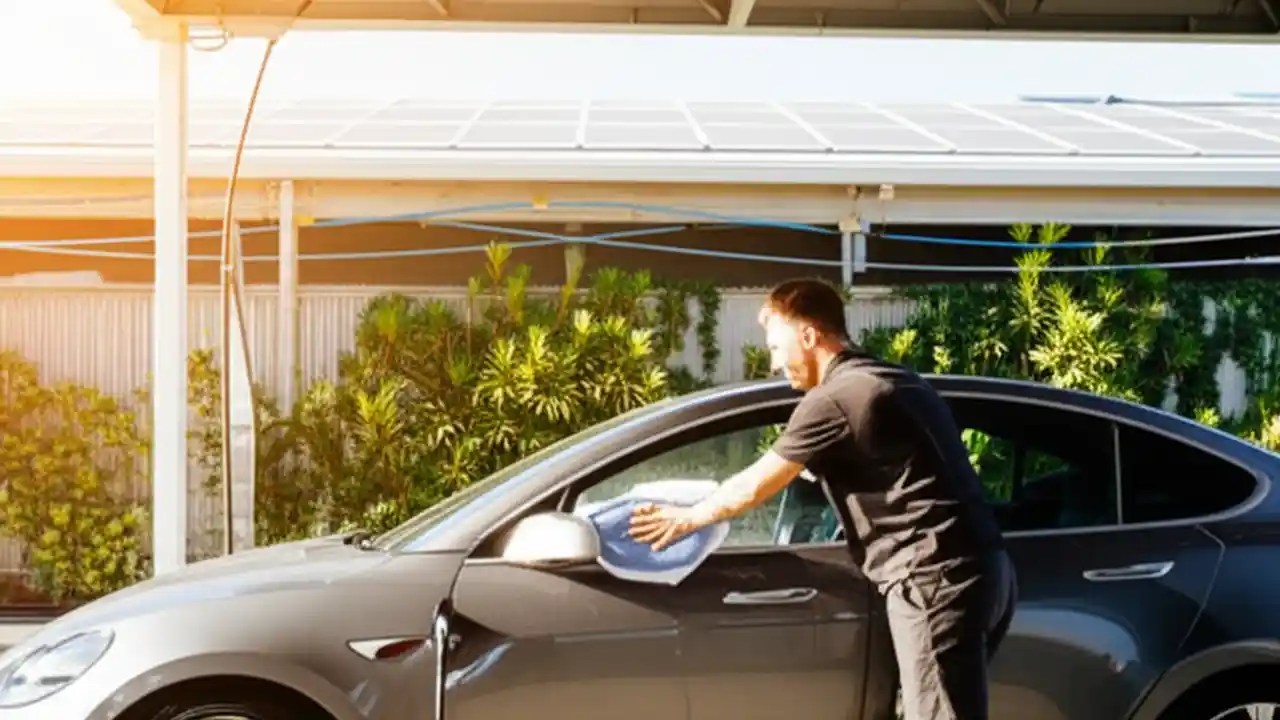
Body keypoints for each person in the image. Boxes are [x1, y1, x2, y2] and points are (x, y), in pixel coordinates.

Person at [629, 277, 1017, 720]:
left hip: (932, 579)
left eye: (777, 348)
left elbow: (754, 486)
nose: (775, 364)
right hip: (985, 572)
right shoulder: (892, 381)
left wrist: (684, 520)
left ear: (809, 336)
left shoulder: (834, 399)